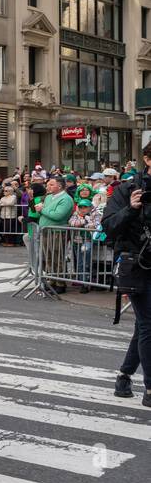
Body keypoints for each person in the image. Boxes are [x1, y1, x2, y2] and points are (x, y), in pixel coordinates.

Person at [102, 140, 151, 408]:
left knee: (145, 325)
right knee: (148, 324)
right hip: (136, 265)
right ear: (147, 159)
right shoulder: (127, 190)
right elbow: (108, 227)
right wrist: (131, 209)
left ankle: (124, 375)